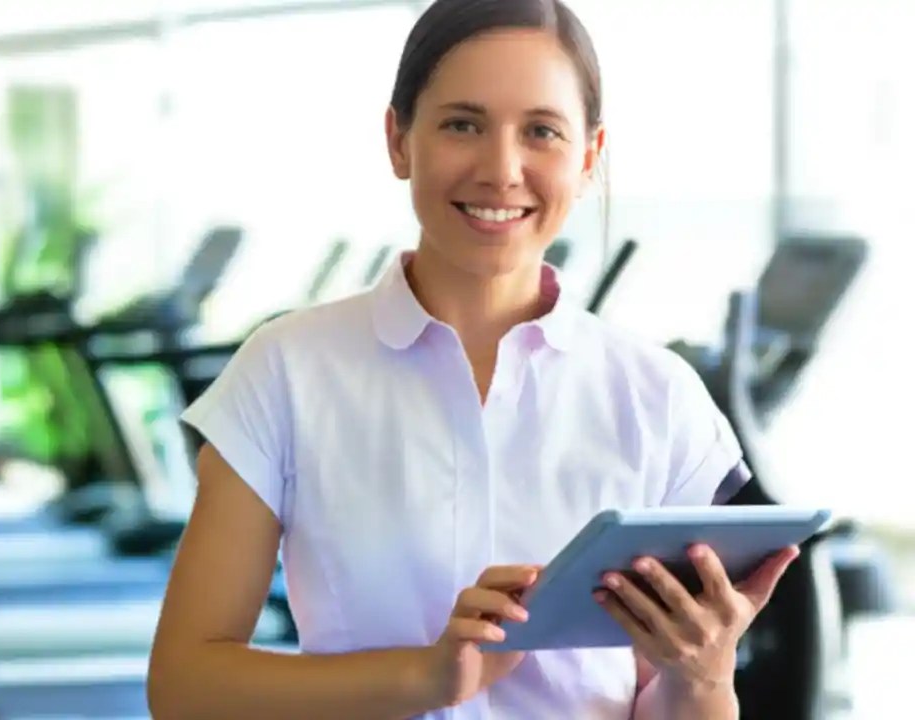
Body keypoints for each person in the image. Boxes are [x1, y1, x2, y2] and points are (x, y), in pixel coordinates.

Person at [146, 0, 800, 718]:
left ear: (587, 158)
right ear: (399, 140)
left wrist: (702, 677)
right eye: (463, 124)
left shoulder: (659, 397)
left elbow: (671, 699)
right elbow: (185, 687)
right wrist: (423, 680)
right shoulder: (285, 371)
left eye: (542, 132)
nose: (501, 169)